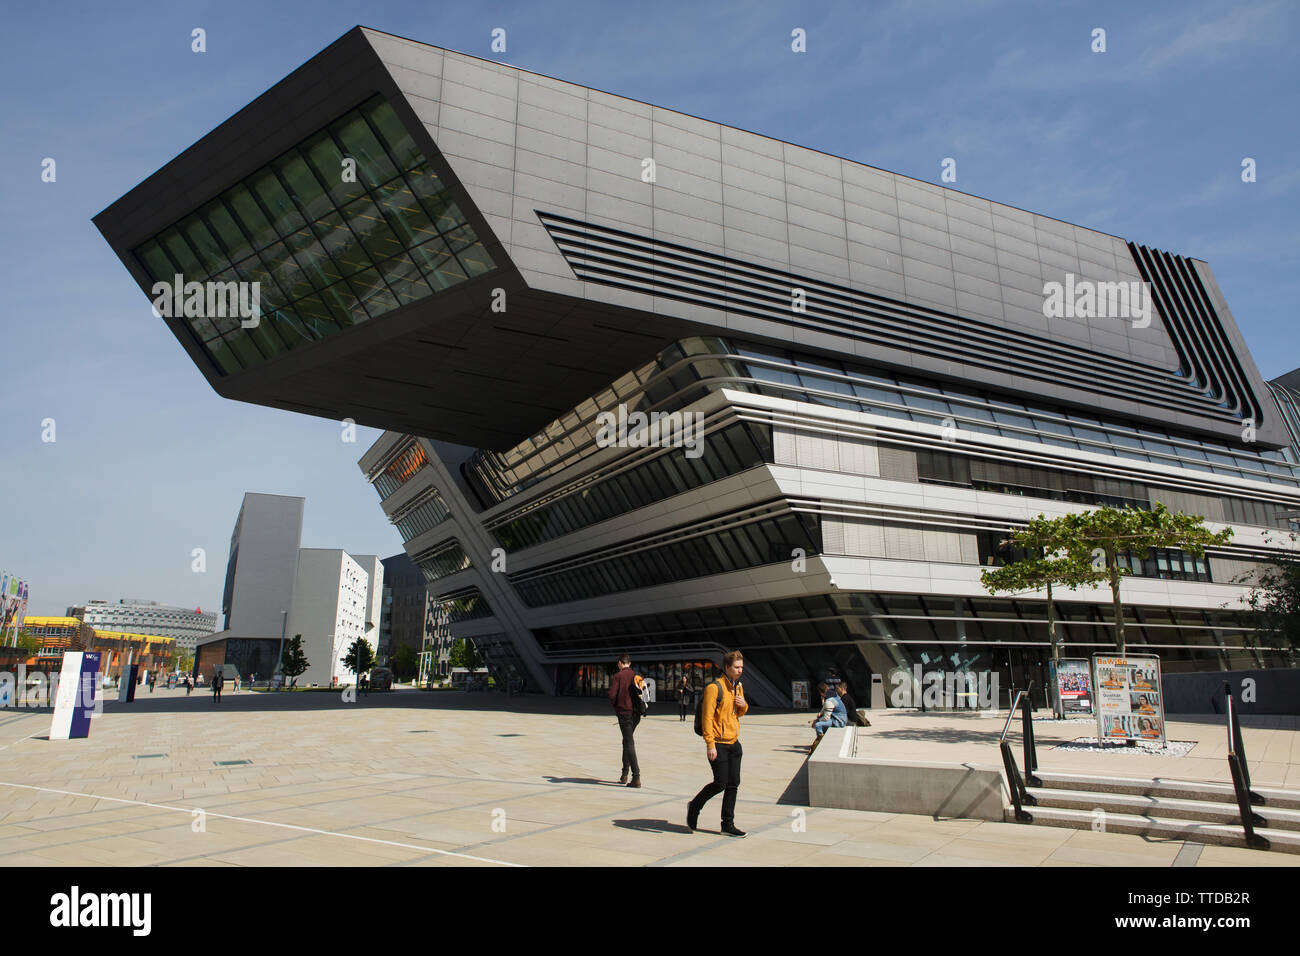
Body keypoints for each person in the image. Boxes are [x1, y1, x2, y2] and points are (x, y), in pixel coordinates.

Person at [687, 651, 748, 837]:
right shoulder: (715, 688)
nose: (740, 671)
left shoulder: (738, 687)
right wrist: (710, 744)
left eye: (741, 667)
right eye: (736, 667)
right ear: (727, 667)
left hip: (734, 742)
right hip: (718, 744)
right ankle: (695, 806)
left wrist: (743, 704)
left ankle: (727, 824)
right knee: (720, 783)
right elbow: (707, 718)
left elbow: (739, 713)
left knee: (733, 784)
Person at [607, 654, 643, 787]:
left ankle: (636, 776)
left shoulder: (618, 676)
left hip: (624, 713)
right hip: (636, 715)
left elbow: (611, 695)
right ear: (630, 663)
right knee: (626, 741)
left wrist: (617, 705)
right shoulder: (636, 675)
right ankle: (624, 774)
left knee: (629, 742)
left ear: (620, 663)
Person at [810, 682, 847, 750]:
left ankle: (820, 743)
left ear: (821, 692)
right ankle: (822, 740)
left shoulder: (829, 701)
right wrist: (820, 713)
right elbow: (826, 708)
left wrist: (817, 721)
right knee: (822, 725)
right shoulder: (834, 695)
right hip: (841, 718)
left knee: (818, 725)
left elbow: (826, 718)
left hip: (838, 721)